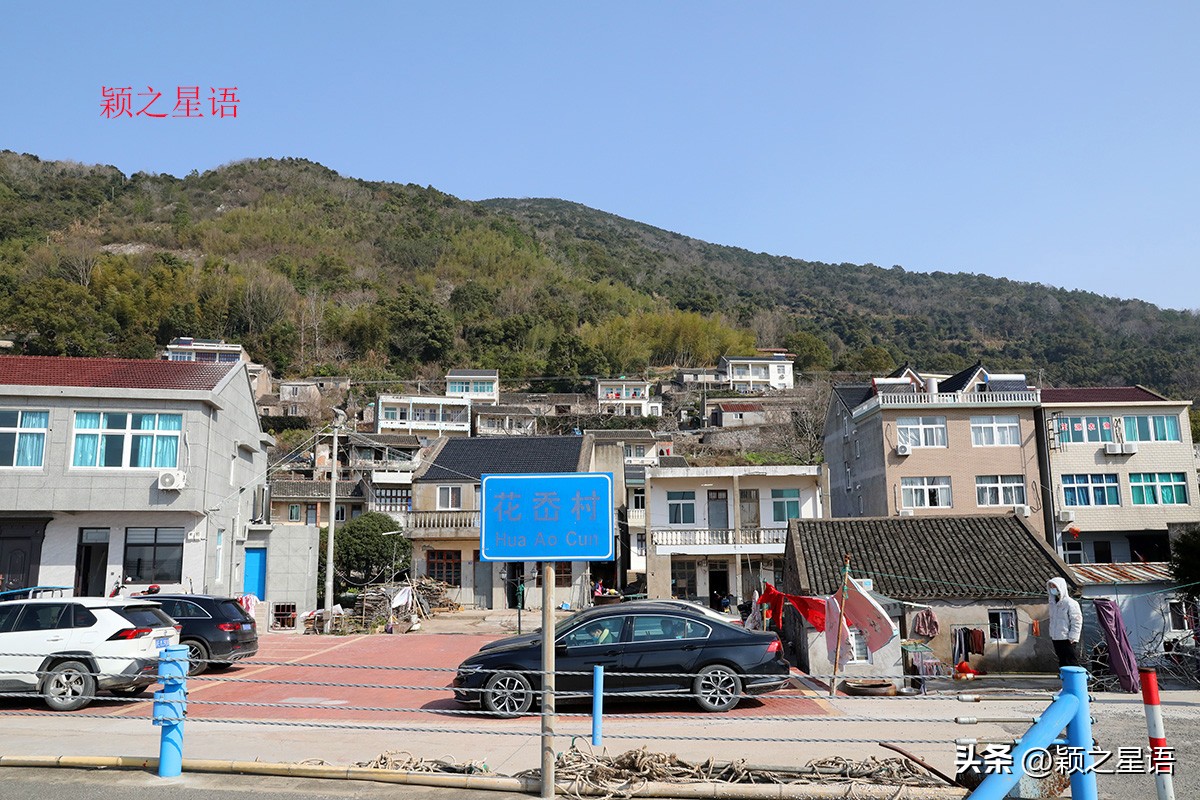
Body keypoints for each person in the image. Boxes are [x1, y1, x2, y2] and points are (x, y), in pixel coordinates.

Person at [1047, 577, 1082, 668]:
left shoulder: (1070, 603)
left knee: (1071, 661)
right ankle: (1065, 680)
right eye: (1050, 586)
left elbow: (1076, 621)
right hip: (1056, 637)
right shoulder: (1053, 604)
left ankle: (1074, 680)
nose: (1052, 589)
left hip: (1067, 638)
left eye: (1054, 586)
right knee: (1062, 662)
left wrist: (1073, 637)